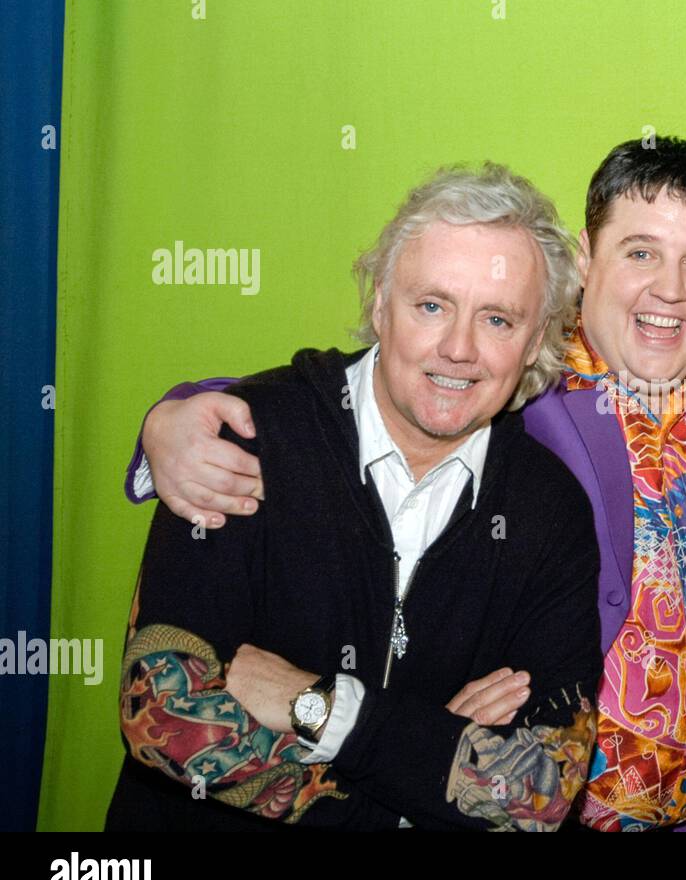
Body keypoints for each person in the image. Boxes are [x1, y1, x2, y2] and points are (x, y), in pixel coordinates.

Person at [107, 163, 603, 831]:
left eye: (498, 320)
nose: (458, 348)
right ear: (379, 304)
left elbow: (538, 794)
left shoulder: (550, 509)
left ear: (537, 339)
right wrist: (429, 773)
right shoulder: (241, 440)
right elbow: (163, 715)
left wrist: (320, 705)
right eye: (431, 305)